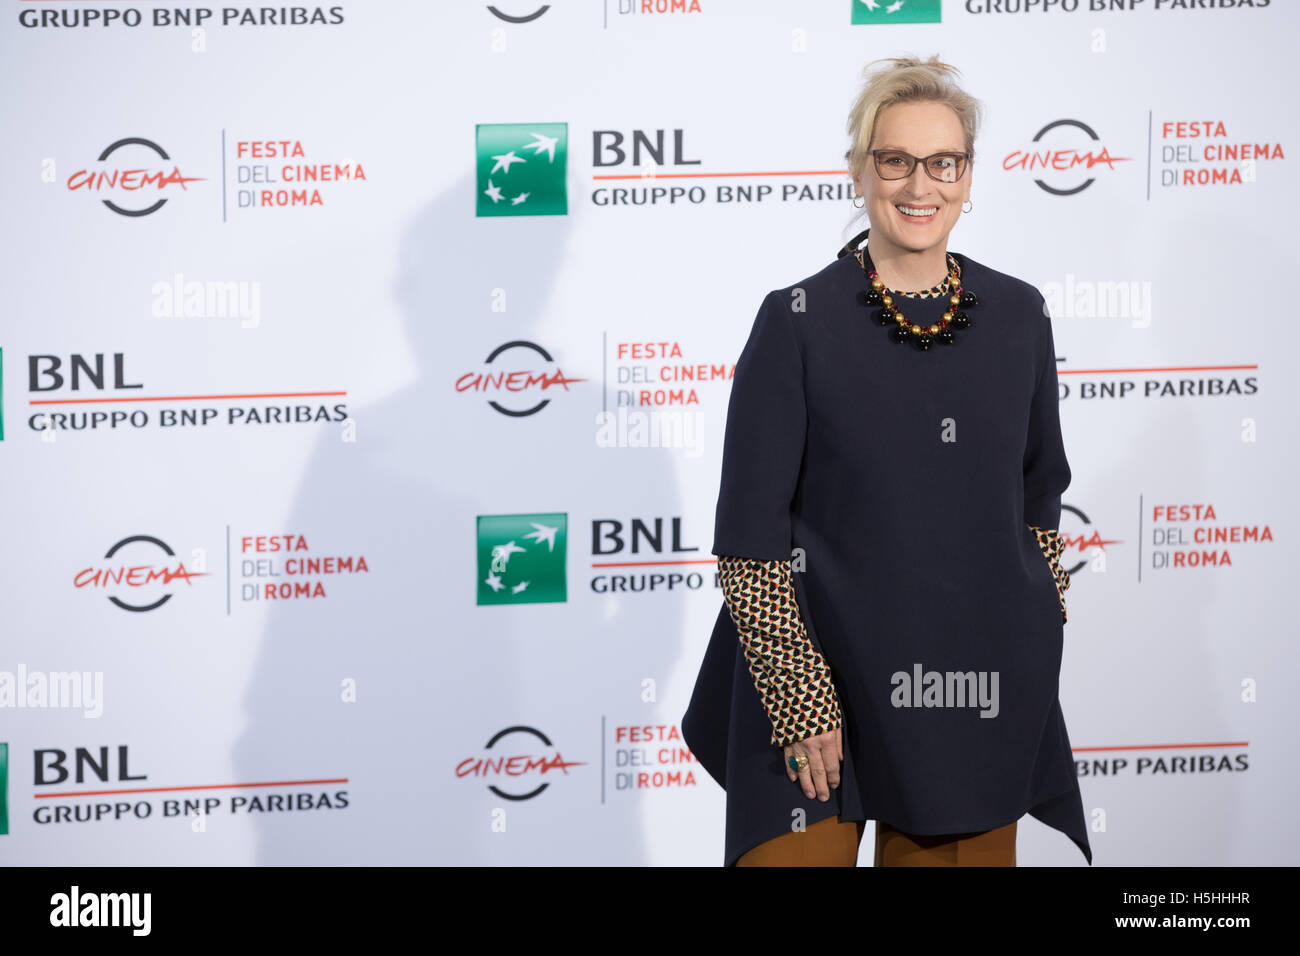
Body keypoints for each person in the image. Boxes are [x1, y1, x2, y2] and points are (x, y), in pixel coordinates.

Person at [682, 54, 1091, 867]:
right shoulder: (797, 320)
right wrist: (799, 696)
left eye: (943, 163)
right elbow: (750, 537)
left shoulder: (1019, 315)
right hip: (809, 680)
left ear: (968, 176)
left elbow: (1038, 504)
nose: (919, 185)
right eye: (895, 160)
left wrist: (1030, 639)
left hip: (970, 688)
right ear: (859, 172)